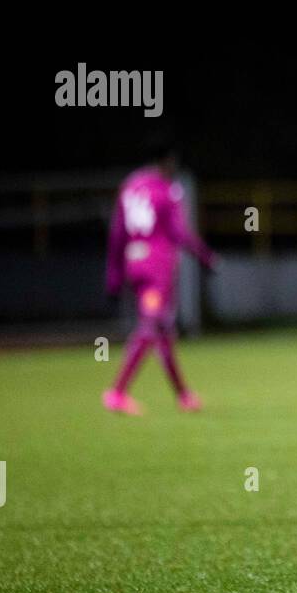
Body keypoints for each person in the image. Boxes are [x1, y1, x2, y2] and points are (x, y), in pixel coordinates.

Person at [103, 143, 217, 415]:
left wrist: (114, 276)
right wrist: (206, 257)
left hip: (134, 263)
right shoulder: (168, 189)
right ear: (167, 162)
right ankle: (117, 392)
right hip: (157, 269)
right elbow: (179, 233)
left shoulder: (129, 186)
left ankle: (183, 395)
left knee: (164, 331)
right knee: (151, 324)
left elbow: (117, 234)